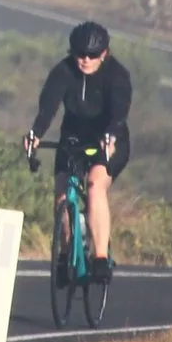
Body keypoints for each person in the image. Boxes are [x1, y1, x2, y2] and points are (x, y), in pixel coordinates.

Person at [22, 21, 132, 282]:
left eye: (92, 55)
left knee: (94, 185)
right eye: (79, 54)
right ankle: (65, 253)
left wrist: (112, 135)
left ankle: (101, 258)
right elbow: (48, 107)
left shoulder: (117, 75)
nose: (85, 60)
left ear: (104, 53)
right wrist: (35, 133)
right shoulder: (63, 71)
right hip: (73, 137)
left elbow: (119, 111)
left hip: (108, 137)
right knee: (62, 192)